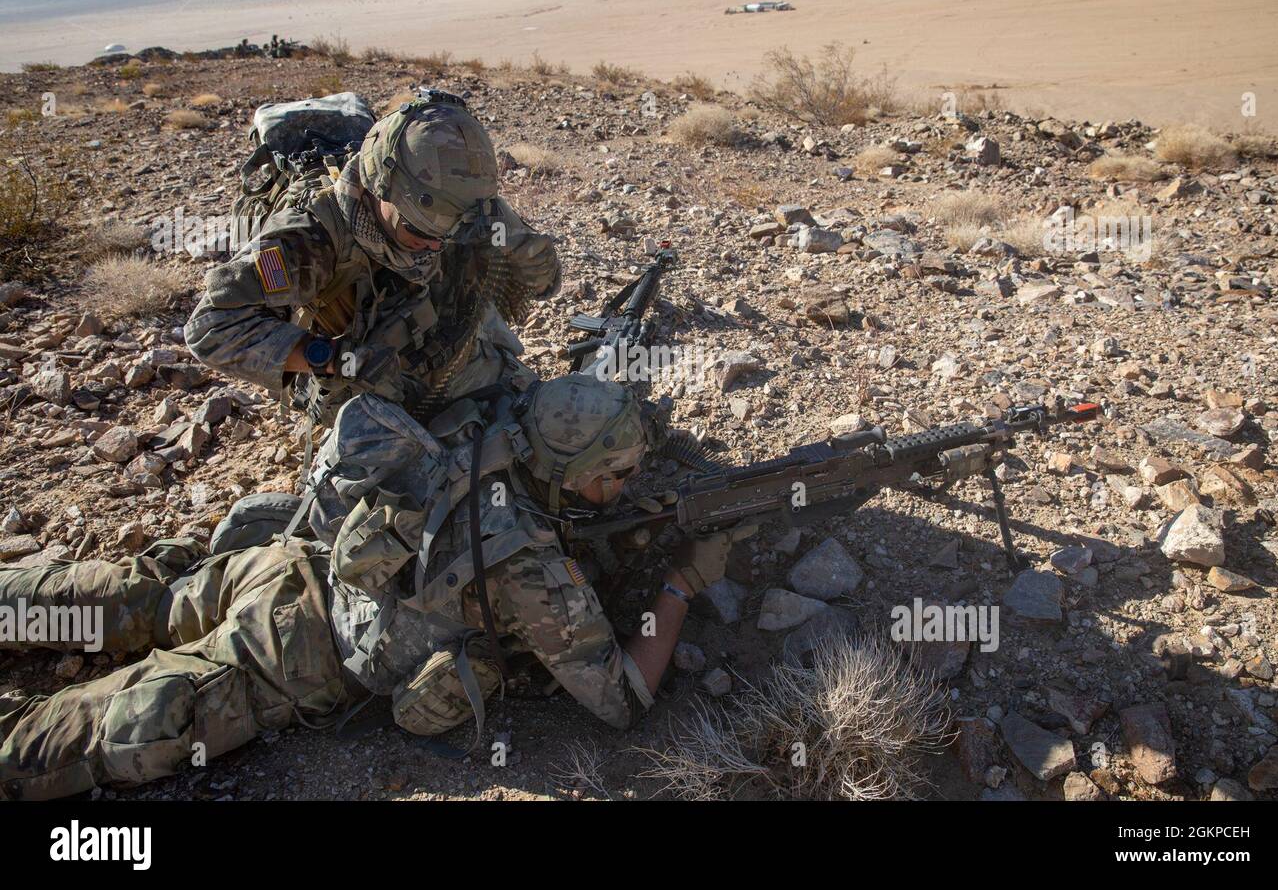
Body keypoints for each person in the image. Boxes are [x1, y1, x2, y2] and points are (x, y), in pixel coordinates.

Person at [0, 376, 747, 800]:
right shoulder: (529, 570)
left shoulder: (483, 425)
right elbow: (622, 699)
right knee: (114, 728)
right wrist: (679, 585)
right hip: (281, 661)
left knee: (128, 601)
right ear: (565, 469)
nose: (623, 486)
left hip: (282, 562)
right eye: (612, 474)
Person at [183, 89, 559, 428]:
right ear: (380, 191)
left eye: (447, 235)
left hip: (435, 335)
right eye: (422, 233)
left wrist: (522, 250)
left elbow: (545, 284)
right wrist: (329, 357)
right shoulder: (310, 237)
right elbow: (210, 327)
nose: (435, 246)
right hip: (352, 369)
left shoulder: (461, 204)